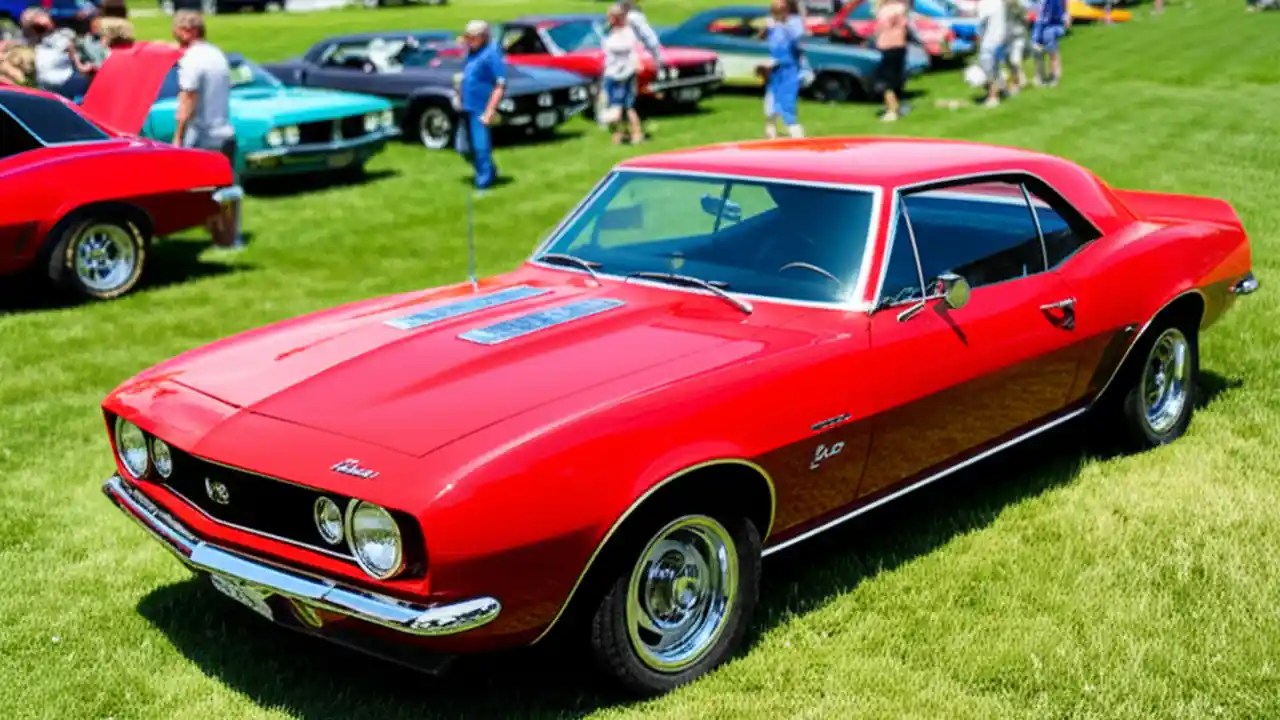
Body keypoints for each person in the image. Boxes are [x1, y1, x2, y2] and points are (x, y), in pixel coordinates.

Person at [171, 10, 242, 248]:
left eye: (177, 31)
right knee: (228, 188)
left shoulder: (192, 59)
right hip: (225, 130)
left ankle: (220, 237)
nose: (175, 36)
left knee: (203, 192)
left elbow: (188, 97)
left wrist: (178, 137)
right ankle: (232, 238)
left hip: (203, 135)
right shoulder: (216, 54)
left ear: (188, 31)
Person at [457, 20, 506, 190]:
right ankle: (489, 170)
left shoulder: (491, 55)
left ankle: (483, 183)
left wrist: (490, 110)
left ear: (483, 37)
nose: (468, 41)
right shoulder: (471, 53)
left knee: (480, 148)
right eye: (467, 37)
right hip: (466, 106)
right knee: (462, 147)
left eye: (471, 37)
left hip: (481, 108)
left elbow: (500, 85)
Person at [761, 0, 805, 139]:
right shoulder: (772, 24)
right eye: (773, 13)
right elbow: (761, 37)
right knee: (770, 103)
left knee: (787, 102)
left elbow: (798, 44)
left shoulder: (794, 23)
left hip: (789, 69)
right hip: (774, 68)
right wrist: (767, 27)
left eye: (778, 12)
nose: (775, 16)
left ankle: (796, 134)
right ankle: (771, 134)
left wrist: (784, 26)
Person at [601, 4, 644, 145]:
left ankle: (636, 134)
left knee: (626, 107)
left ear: (617, 18)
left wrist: (636, 63)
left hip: (625, 74)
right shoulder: (608, 31)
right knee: (614, 107)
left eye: (610, 16)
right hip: (611, 74)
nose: (608, 19)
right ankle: (619, 135)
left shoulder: (627, 33)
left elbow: (631, 50)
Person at [20, 8, 75, 95]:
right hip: (47, 91)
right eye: (38, 27)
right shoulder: (26, 48)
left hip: (69, 86)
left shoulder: (64, 38)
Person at [873, 0, 909, 122]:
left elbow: (881, 27)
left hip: (888, 46)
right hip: (900, 45)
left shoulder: (886, 10)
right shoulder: (901, 7)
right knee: (896, 78)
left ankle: (892, 110)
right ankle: (897, 107)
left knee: (885, 81)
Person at [975, 0, 1009, 107]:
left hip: (989, 42)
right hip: (1000, 39)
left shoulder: (985, 4)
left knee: (989, 71)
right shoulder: (999, 3)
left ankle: (993, 97)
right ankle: (1001, 90)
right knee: (994, 69)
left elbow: (980, 25)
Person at [619, 0, 665, 68]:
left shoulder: (632, 17)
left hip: (646, 43)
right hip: (648, 42)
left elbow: (644, 31)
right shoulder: (637, 15)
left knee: (655, 62)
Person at [1031, 0, 1066, 86]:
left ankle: (1055, 76)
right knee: (1037, 51)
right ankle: (1040, 76)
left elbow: (1055, 12)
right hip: (1040, 25)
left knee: (1052, 52)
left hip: (1051, 26)